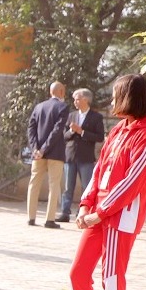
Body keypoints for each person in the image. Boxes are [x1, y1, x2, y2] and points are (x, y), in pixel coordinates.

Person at [55, 74, 146, 290]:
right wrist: (85, 205)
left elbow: (132, 183)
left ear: (130, 97)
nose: (113, 101)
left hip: (120, 218)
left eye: (117, 95)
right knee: (78, 272)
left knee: (111, 279)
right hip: (97, 214)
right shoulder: (119, 131)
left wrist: (99, 213)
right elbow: (100, 170)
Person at [56, 88, 104, 222]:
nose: (75, 102)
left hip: (86, 157)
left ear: (85, 100)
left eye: (77, 99)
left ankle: (82, 213)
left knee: (86, 187)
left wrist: (82, 132)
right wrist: (72, 131)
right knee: (67, 187)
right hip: (70, 156)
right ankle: (65, 212)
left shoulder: (96, 117)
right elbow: (64, 136)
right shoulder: (71, 116)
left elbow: (100, 137)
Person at [26, 81, 69, 228]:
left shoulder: (39, 107)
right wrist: (44, 148)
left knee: (34, 184)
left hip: (38, 154)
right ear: (62, 92)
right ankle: (49, 219)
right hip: (55, 153)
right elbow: (57, 131)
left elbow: (31, 129)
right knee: (54, 185)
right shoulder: (63, 107)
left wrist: (35, 148)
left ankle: (30, 218)